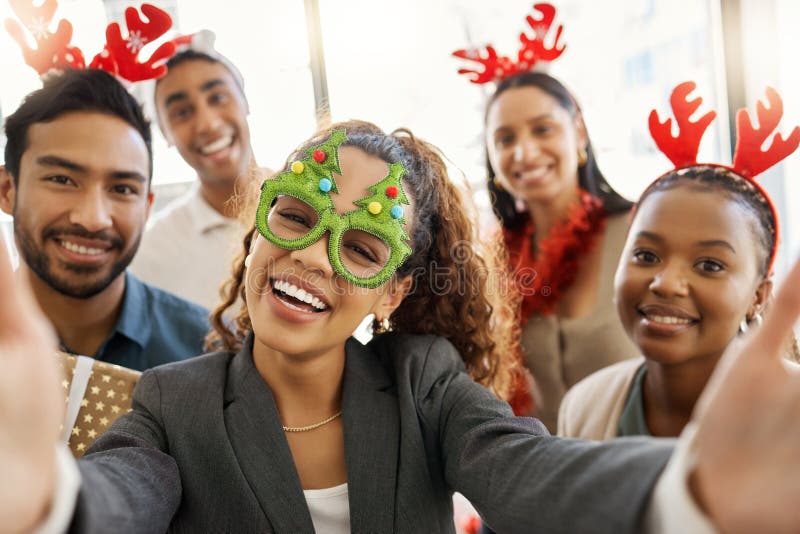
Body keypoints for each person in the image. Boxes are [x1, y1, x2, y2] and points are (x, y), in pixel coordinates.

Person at [3, 121, 800, 533]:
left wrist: (688, 491)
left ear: (392, 293)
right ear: (258, 234)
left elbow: (530, 472)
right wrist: (44, 502)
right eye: (294, 217)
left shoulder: (425, 382)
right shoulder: (173, 404)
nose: (311, 256)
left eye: (356, 246)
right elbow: (118, 499)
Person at [559, 83, 800, 439]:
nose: (666, 282)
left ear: (758, 297)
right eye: (646, 255)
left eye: (709, 265)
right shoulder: (583, 407)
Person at [0, 68, 209, 370]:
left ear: (147, 207)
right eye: (62, 179)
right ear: (7, 190)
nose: (93, 219)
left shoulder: (209, 351)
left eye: (122, 189)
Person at [484, 71, 639, 431]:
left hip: (648, 469)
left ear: (579, 133)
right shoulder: (491, 262)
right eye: (505, 139)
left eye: (542, 129)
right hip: (547, 477)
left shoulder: (640, 231)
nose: (524, 152)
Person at [130, 43, 262, 310]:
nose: (208, 124)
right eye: (182, 112)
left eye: (217, 97)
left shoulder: (315, 202)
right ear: (165, 134)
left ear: (245, 101)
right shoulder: (150, 255)